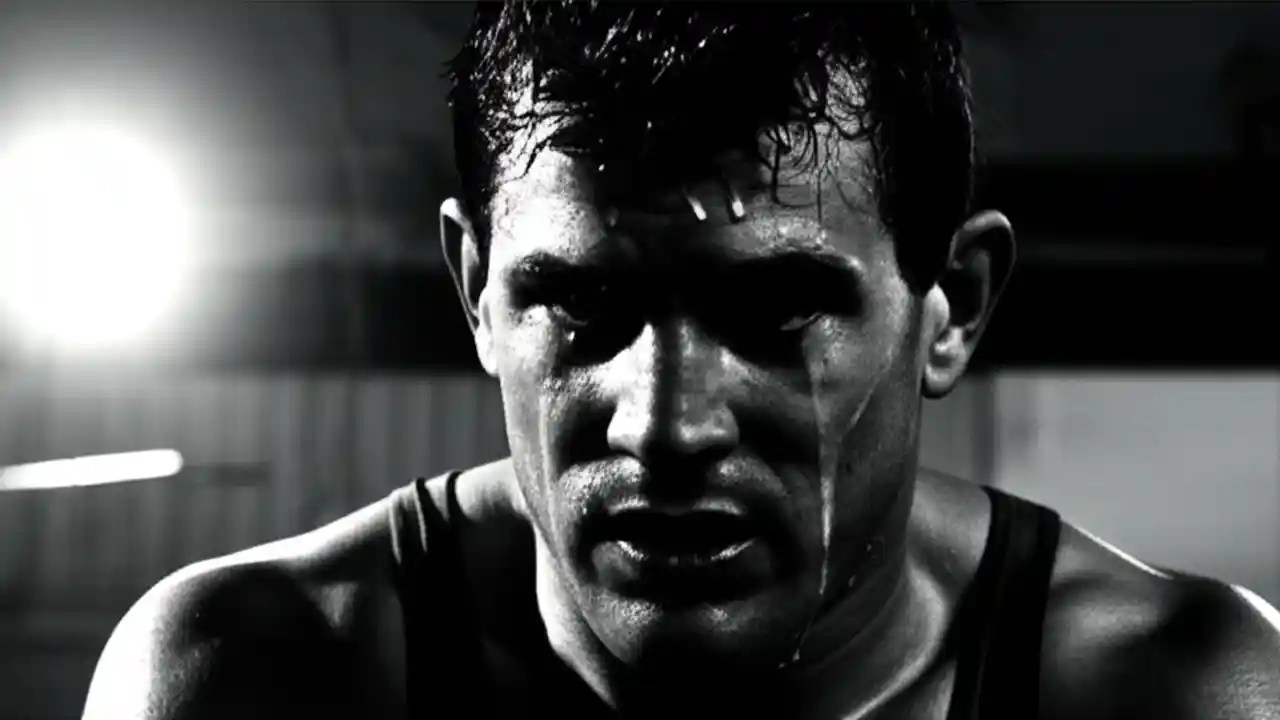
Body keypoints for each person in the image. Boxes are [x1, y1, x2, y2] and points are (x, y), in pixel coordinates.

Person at [85, 3, 1280, 718]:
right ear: (474, 292)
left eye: (774, 311)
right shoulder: (250, 676)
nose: (662, 424)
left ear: (951, 305)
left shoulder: (1171, 694)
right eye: (579, 304)